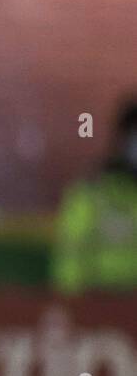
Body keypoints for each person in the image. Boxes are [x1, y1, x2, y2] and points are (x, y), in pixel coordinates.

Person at [53, 99, 137, 293]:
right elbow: (70, 258)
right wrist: (73, 302)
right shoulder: (91, 194)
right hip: (98, 299)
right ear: (122, 140)